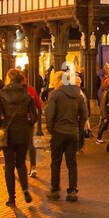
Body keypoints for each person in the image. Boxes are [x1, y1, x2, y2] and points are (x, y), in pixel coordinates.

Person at [0, 68, 39, 208]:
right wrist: (27, 124)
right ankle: (25, 189)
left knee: (9, 165)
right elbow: (34, 116)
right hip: (23, 132)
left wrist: (2, 127)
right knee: (21, 163)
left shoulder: (1, 94)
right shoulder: (26, 94)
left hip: (8, 133)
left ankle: (11, 198)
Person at [44, 70, 89, 201]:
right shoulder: (78, 95)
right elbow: (84, 115)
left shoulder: (56, 95)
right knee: (72, 163)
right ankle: (72, 190)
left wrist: (51, 129)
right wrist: (78, 128)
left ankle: (55, 189)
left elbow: (49, 114)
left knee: (56, 162)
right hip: (72, 132)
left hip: (58, 132)